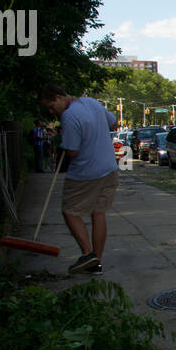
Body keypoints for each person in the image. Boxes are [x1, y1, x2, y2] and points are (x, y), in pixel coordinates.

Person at [38, 85, 119, 274]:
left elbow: (72, 151)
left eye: (51, 107)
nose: (51, 112)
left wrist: (65, 141)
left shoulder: (69, 115)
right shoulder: (92, 102)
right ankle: (96, 263)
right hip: (109, 168)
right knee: (98, 213)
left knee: (70, 211)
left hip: (86, 172)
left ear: (59, 97)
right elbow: (113, 123)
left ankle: (87, 254)